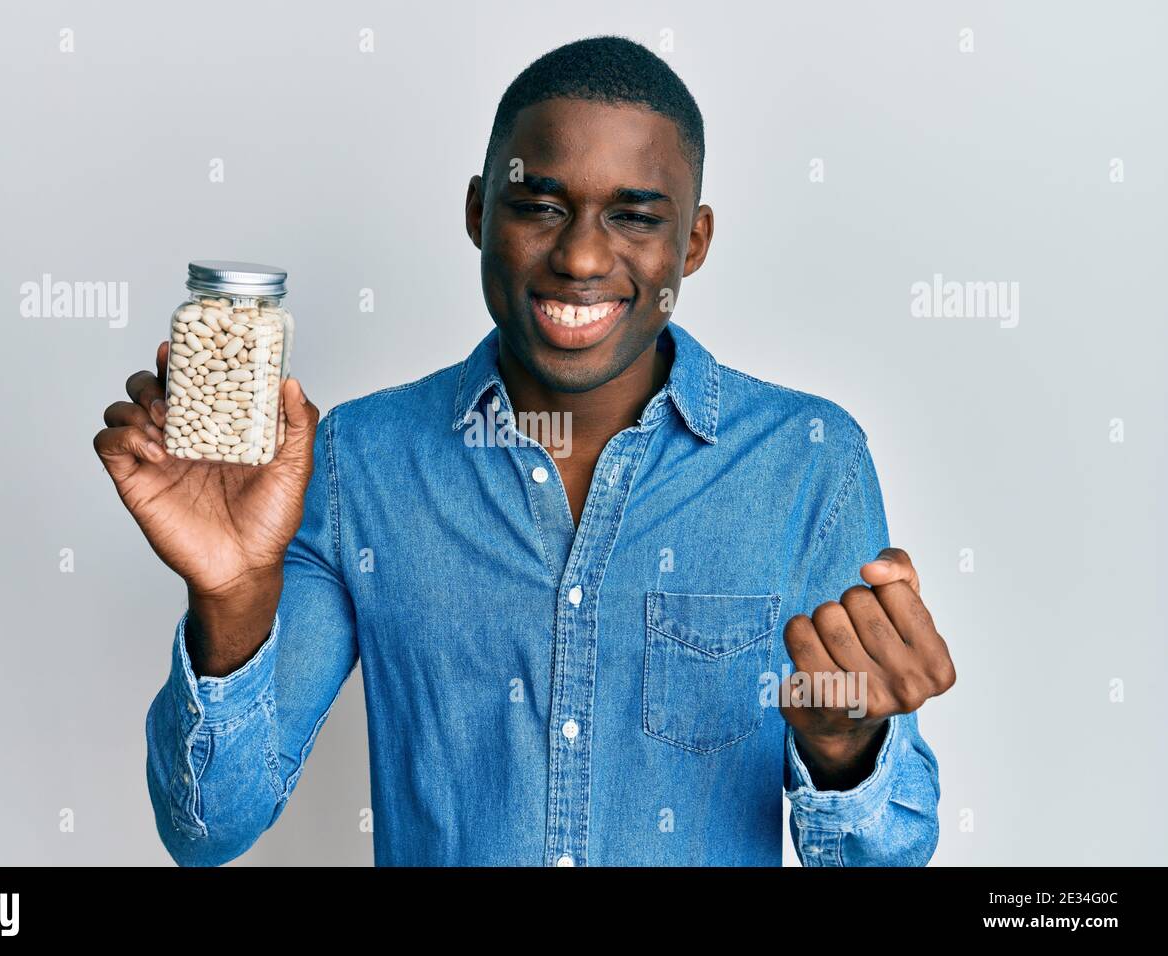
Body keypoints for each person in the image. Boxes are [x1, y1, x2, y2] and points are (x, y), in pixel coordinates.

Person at [95, 35, 955, 867]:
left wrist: (846, 743)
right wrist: (233, 594)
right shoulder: (359, 460)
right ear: (479, 213)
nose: (581, 255)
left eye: (635, 215)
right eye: (540, 206)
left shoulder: (807, 462)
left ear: (691, 242)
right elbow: (206, 831)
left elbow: (885, 858)